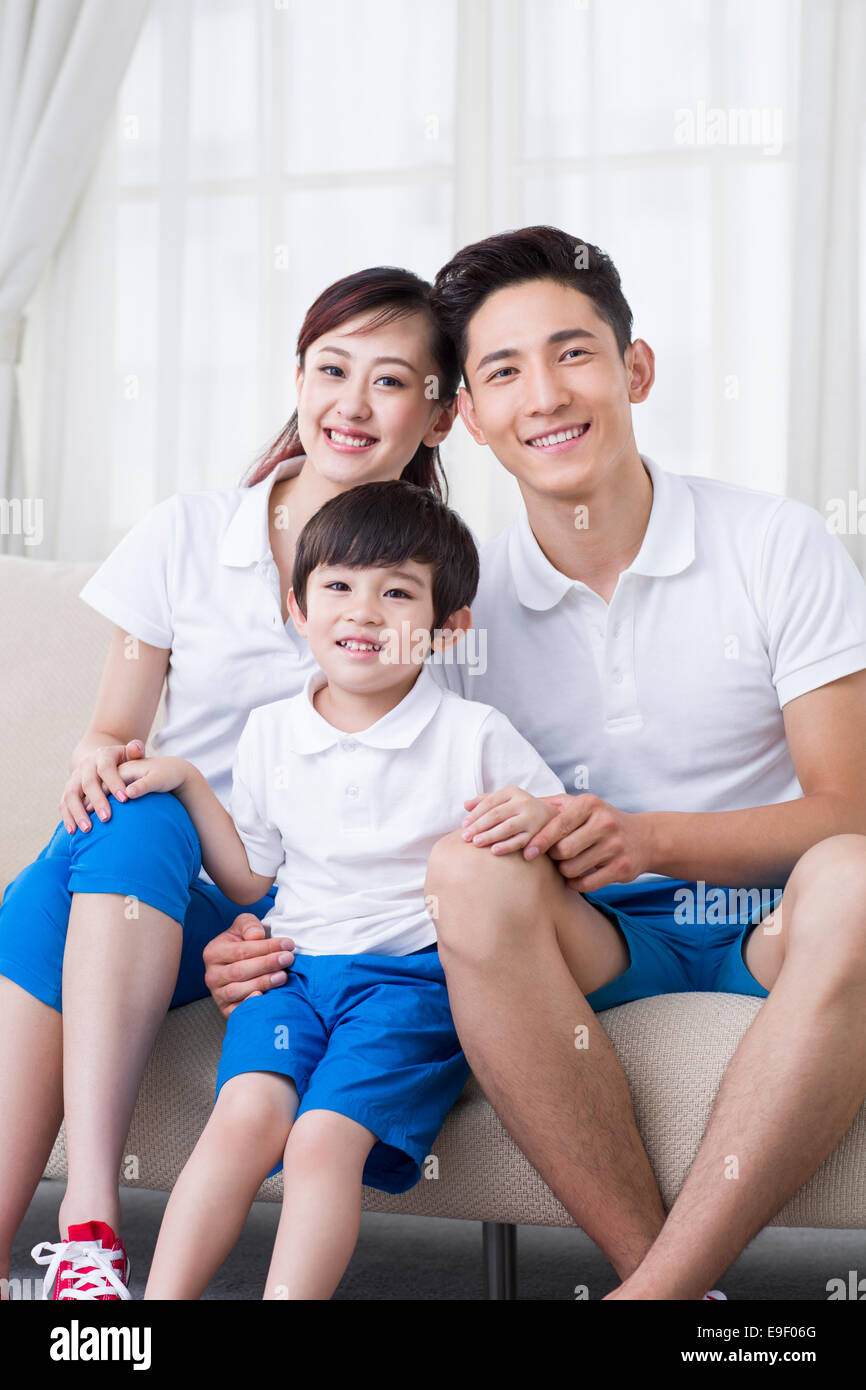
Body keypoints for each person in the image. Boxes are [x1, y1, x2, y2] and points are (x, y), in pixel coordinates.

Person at [422, 225, 866, 1300]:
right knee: (464, 873)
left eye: (572, 352)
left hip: (766, 927)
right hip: (597, 939)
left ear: (634, 368)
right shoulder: (454, 600)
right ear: (469, 418)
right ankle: (666, 1292)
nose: (545, 394)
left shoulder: (773, 543)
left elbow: (847, 806)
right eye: (502, 371)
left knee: (858, 881)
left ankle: (655, 1300)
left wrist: (646, 836)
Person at [2, 264, 460, 1302]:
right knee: (134, 809)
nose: (351, 403)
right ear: (296, 376)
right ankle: (88, 1230)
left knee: (100, 853)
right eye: (331, 368)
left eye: (391, 383)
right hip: (152, 880)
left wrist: (280, 927)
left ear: (436, 417)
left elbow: (428, 793)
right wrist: (94, 753)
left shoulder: (432, 583)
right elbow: (116, 734)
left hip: (291, 909)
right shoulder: (186, 533)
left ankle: (79, 1249)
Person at [109, 479, 563, 1300]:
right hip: (294, 975)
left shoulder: (473, 735)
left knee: (321, 1141)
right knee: (243, 1119)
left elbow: (559, 834)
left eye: (398, 592)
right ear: (297, 607)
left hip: (408, 985)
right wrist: (185, 783)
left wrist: (537, 815)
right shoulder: (270, 731)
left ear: (449, 630)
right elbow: (251, 875)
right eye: (340, 587)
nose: (363, 611)